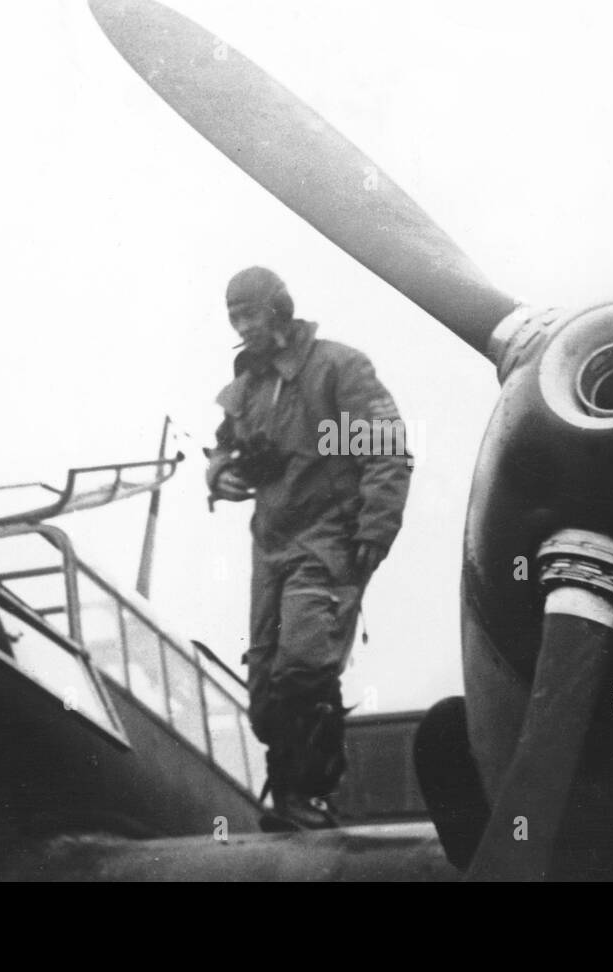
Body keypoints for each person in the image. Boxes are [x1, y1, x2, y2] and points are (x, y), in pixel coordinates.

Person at [205, 266, 412, 829]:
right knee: (266, 687)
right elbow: (223, 446)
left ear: (280, 309)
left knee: (303, 664)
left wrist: (376, 526)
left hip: (327, 538)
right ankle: (290, 802)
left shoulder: (336, 368)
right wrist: (219, 472)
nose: (243, 326)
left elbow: (386, 448)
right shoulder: (247, 386)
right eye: (235, 316)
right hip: (270, 546)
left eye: (251, 313)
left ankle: (312, 797)